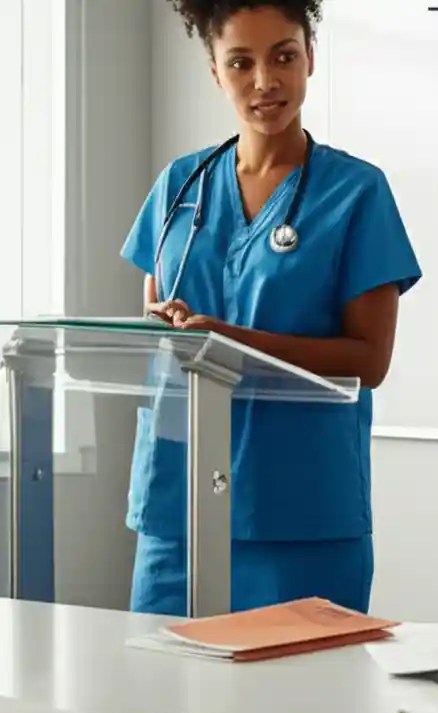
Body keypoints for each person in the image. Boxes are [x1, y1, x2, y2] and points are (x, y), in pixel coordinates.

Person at [119, 0, 421, 615]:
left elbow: (370, 360)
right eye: (241, 62)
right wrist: (177, 333)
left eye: (284, 56)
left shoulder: (356, 192)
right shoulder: (179, 186)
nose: (265, 82)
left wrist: (231, 342)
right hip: (178, 508)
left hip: (298, 512)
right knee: (160, 700)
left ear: (310, 56)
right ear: (214, 71)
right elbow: (155, 329)